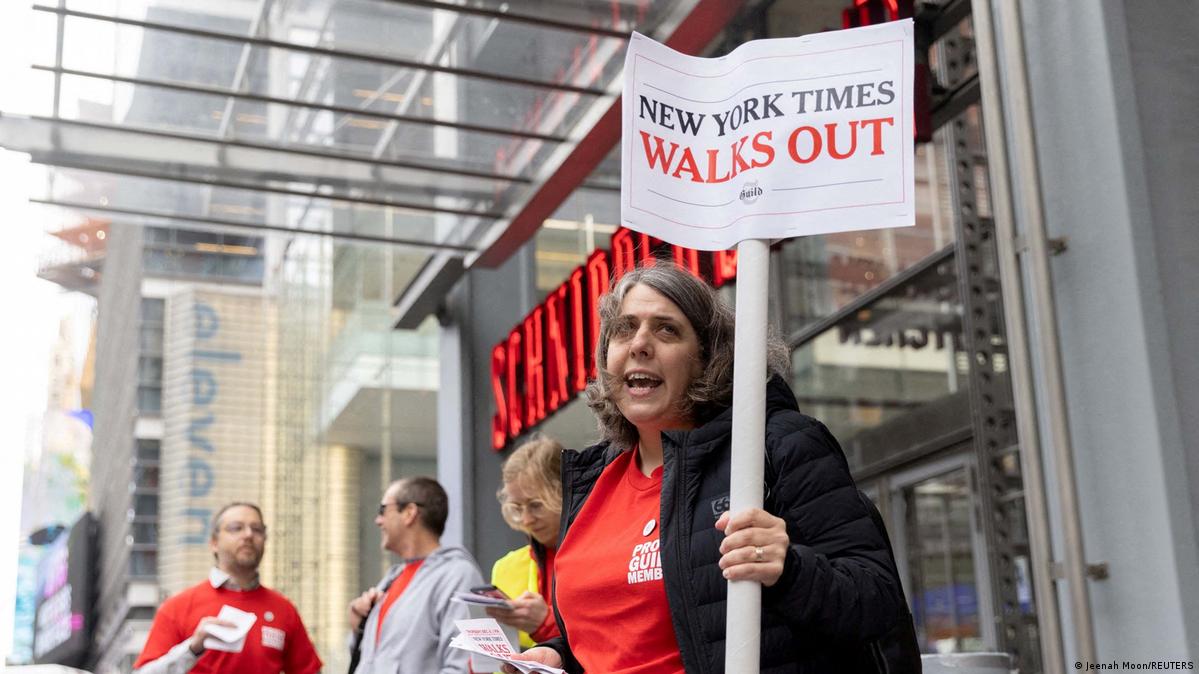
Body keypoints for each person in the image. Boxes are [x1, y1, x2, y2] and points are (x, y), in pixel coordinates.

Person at [507, 263, 921, 673]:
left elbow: (877, 599)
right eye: (624, 328)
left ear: (708, 358)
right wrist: (560, 656)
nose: (639, 344)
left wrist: (790, 569)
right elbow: (630, 638)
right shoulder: (592, 482)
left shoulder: (776, 445)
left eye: (666, 329)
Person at [134, 502, 322, 674]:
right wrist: (192, 648)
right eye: (236, 528)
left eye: (257, 529)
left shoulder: (284, 610)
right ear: (214, 543)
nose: (248, 535)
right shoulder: (177, 607)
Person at [348, 476, 484, 674]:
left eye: (383, 510)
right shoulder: (391, 580)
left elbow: (462, 667)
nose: (378, 520)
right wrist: (358, 629)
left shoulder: (458, 576)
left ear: (410, 513)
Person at [485, 435, 564, 648]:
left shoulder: (598, 555)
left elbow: (608, 644)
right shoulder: (506, 567)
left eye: (536, 505)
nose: (527, 519)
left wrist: (545, 626)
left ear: (566, 492)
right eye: (517, 508)